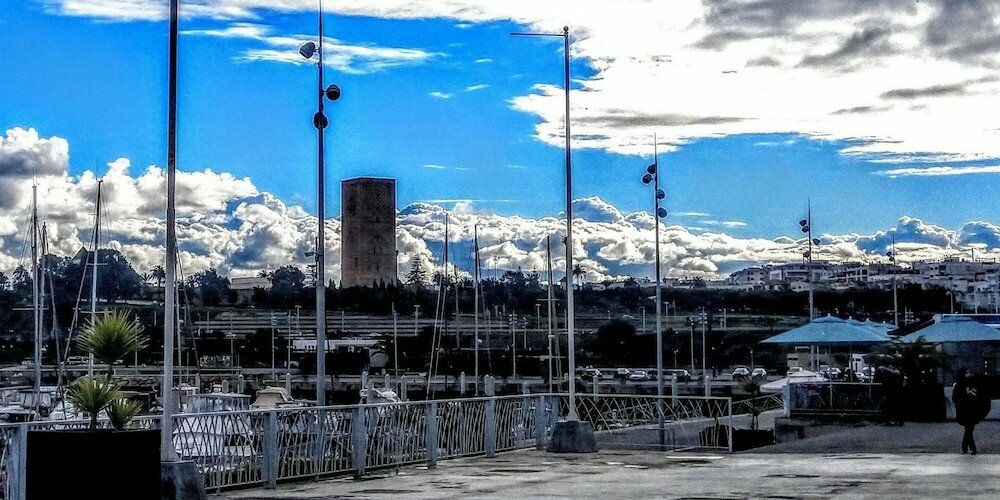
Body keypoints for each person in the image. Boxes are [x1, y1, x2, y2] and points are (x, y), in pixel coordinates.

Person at [952, 368, 987, 455]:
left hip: (971, 411)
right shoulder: (958, 385)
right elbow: (955, 398)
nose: (969, 374)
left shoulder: (971, 384)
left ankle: (967, 448)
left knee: (969, 429)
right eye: (967, 373)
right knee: (969, 429)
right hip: (964, 411)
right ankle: (970, 448)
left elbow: (977, 396)